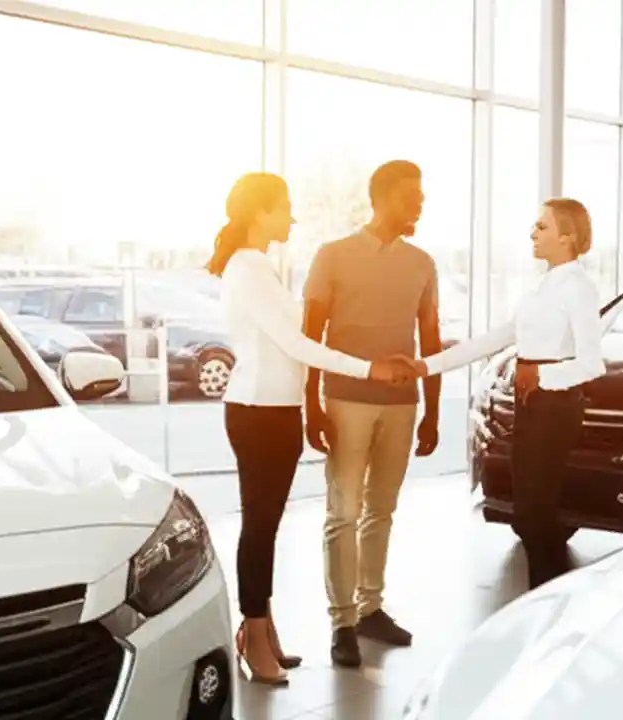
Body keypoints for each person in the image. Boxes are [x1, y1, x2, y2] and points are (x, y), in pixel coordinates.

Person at [208, 172, 414, 686]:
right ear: (261, 212)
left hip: (272, 409)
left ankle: (262, 630)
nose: (292, 218)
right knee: (259, 528)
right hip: (259, 411)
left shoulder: (256, 266)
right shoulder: (250, 268)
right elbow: (297, 344)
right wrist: (370, 368)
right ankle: (255, 639)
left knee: (267, 526)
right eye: (284, 208)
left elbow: (291, 341)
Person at [409, 197, 606, 589]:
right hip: (532, 404)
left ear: (567, 236)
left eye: (542, 227)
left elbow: (592, 364)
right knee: (528, 514)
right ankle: (546, 599)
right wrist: (427, 365)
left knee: (537, 514)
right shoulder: (543, 286)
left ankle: (551, 601)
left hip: (555, 406)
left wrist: (540, 378)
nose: (533, 233)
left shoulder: (578, 287)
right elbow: (500, 336)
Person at [301, 160, 442, 668]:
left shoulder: (423, 262)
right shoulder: (333, 256)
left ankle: (371, 608)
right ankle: (342, 622)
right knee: (343, 512)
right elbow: (310, 336)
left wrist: (433, 409)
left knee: (382, 509)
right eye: (411, 197)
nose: (420, 205)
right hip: (344, 402)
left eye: (421, 197)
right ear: (380, 198)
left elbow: (430, 339)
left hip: (402, 406)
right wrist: (310, 406)